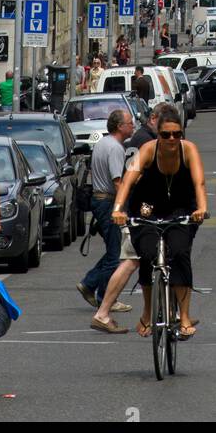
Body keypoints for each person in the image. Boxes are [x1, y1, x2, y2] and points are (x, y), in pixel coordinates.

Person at [95, 105, 208, 339]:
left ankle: (184, 316)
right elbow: (127, 182)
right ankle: (147, 312)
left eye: (177, 134)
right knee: (146, 255)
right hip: (148, 208)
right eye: (166, 134)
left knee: (179, 253)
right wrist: (118, 209)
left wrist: (202, 208)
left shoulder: (189, 150)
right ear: (158, 134)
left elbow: (199, 183)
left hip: (181, 209)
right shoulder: (147, 150)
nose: (171, 139)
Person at [77, 108, 135, 315]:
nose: (133, 126)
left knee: (114, 249)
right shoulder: (116, 149)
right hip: (109, 203)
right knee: (115, 254)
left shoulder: (102, 143)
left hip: (99, 201)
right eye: (130, 123)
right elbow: (118, 182)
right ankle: (105, 297)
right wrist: (123, 208)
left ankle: (89, 283)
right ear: (120, 126)